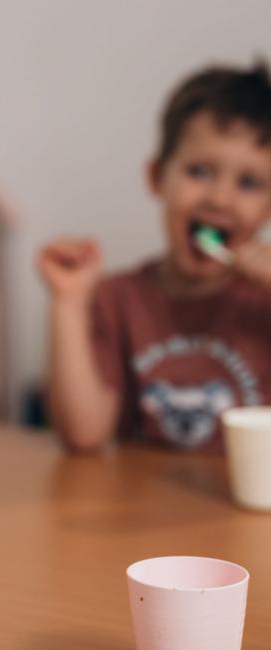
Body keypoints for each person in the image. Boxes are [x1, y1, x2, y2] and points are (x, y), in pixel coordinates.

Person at [39, 61, 271, 453]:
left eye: (249, 183)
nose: (219, 198)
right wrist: (69, 300)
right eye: (199, 171)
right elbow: (84, 434)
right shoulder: (117, 298)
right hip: (143, 508)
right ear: (156, 178)